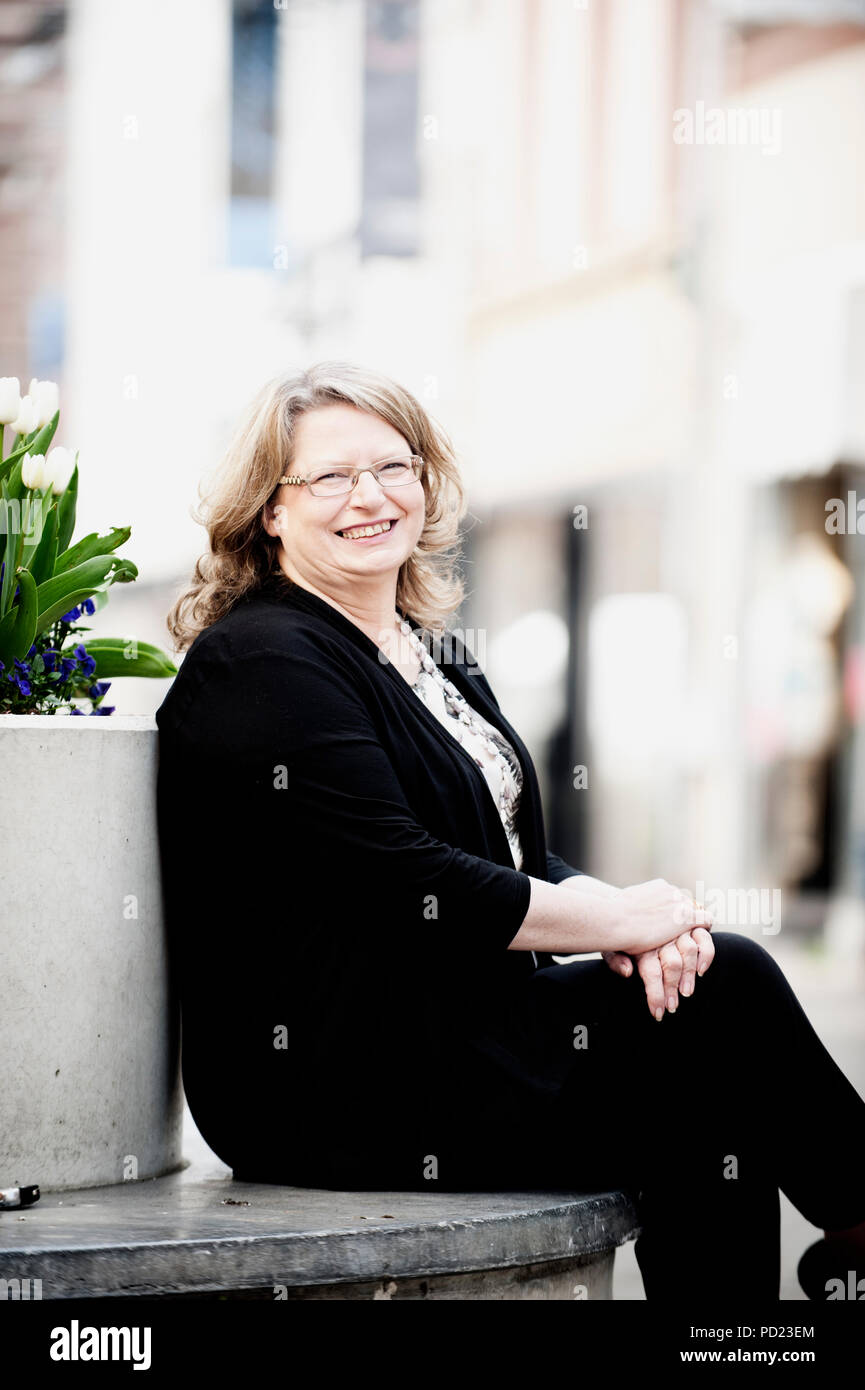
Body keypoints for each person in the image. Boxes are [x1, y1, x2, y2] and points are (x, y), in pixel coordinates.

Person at [155, 360, 865, 1301]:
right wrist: (626, 926)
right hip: (338, 1078)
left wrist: (644, 927)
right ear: (270, 511)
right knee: (727, 984)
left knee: (698, 1060)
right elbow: (407, 879)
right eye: (329, 477)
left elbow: (513, 851)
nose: (369, 496)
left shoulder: (426, 648)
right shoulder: (261, 660)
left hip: (460, 1033)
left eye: (393, 467)